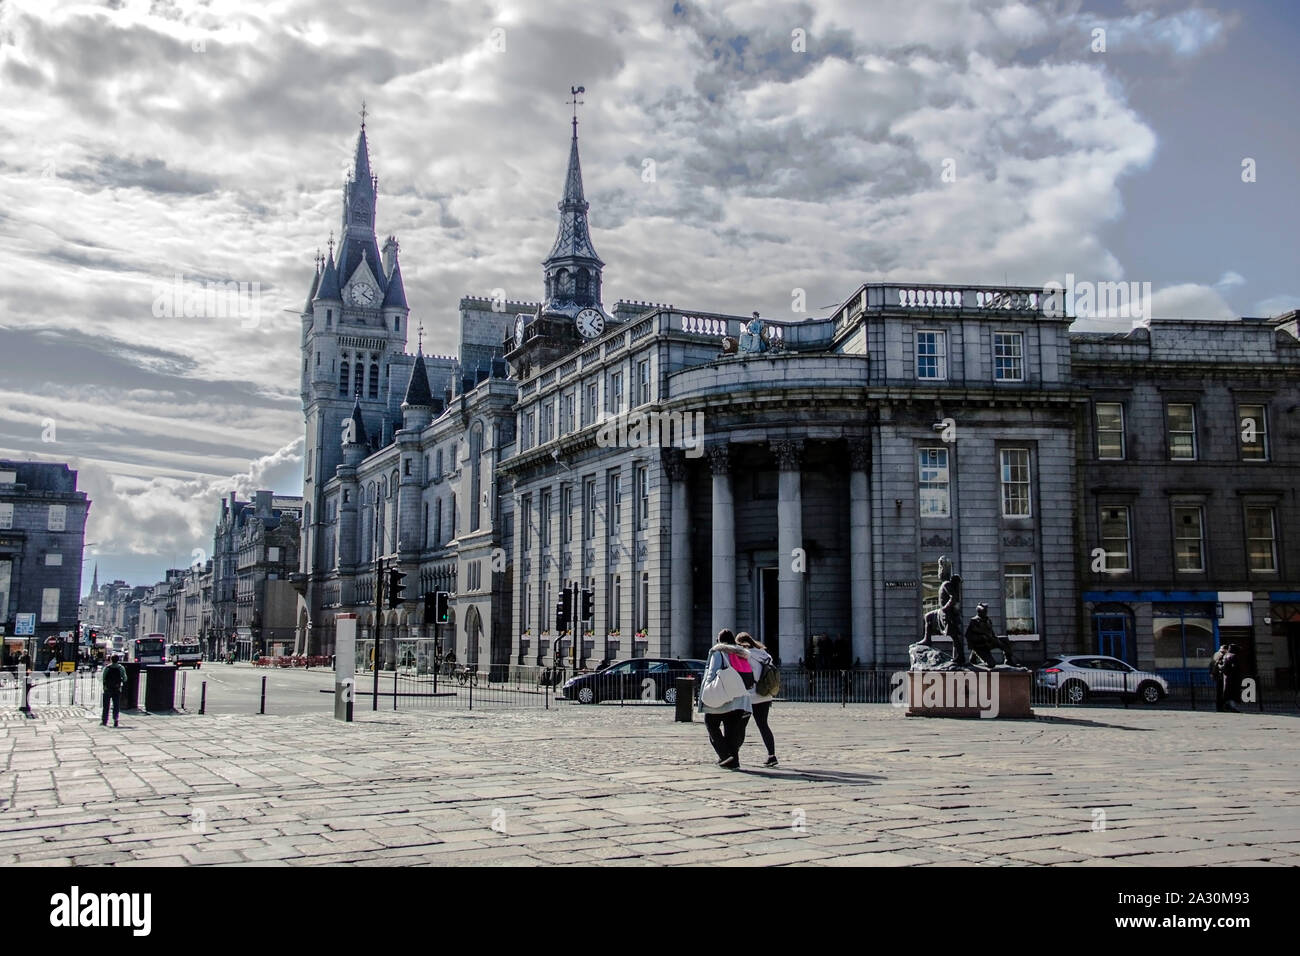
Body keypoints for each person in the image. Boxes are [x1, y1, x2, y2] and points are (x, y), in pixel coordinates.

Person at [698, 629, 753, 769]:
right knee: (732, 732)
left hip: (722, 696)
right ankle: (733, 761)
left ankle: (724, 755)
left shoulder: (718, 652)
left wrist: (706, 693)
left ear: (719, 640)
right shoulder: (742, 653)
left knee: (710, 723)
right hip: (739, 698)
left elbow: (711, 673)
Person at [736, 632, 778, 767]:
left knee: (741, 726)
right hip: (765, 694)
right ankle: (772, 755)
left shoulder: (745, 655)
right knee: (763, 725)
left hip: (750, 695)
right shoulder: (765, 655)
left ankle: (733, 754)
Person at [101, 654, 127, 728]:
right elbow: (125, 678)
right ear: (118, 660)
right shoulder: (121, 668)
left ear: (111, 660)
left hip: (108, 688)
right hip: (116, 688)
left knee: (106, 705)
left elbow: (104, 678)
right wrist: (120, 680)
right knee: (116, 705)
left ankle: (104, 720)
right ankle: (115, 720)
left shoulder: (107, 667)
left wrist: (104, 686)